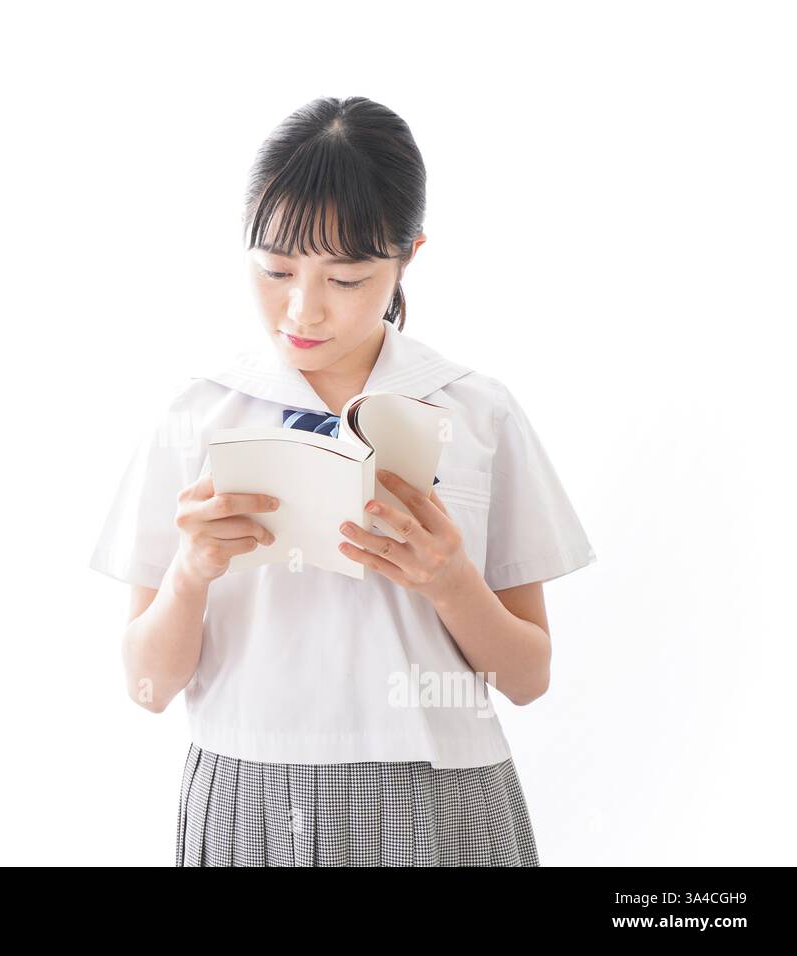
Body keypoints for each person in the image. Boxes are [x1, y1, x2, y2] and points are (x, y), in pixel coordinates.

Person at [88, 96, 597, 866]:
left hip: (442, 799)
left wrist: (450, 581)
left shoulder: (476, 411)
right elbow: (146, 687)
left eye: (348, 278)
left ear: (408, 256)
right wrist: (191, 573)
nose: (303, 309)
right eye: (276, 270)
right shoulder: (196, 413)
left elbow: (528, 680)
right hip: (249, 796)